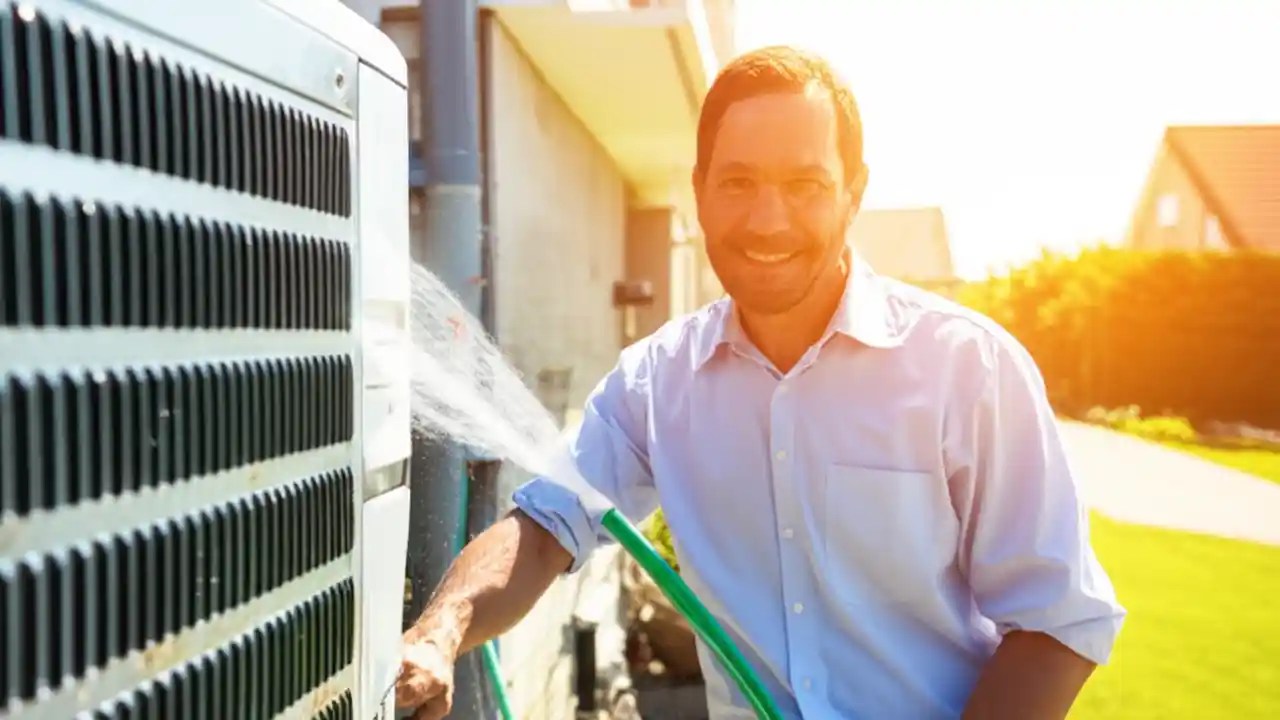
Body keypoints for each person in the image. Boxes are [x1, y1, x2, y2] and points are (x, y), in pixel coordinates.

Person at [395, 45, 1125, 720]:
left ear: (853, 193)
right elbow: (544, 524)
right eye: (738, 182)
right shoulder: (658, 381)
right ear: (701, 191)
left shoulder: (968, 370)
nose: (767, 220)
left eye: (805, 184)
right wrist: (439, 630)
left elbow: (1058, 624)